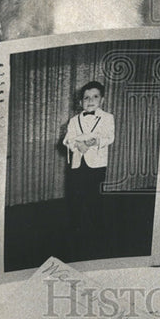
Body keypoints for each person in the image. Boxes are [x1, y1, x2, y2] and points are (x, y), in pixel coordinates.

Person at [63, 81, 115, 253]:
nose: (90, 100)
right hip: (77, 164)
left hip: (97, 165)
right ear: (80, 102)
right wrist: (77, 145)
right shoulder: (73, 120)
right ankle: (75, 229)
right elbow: (68, 139)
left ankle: (98, 230)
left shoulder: (107, 118)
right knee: (75, 197)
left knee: (95, 198)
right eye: (86, 98)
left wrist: (95, 141)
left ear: (102, 100)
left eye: (95, 96)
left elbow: (109, 137)